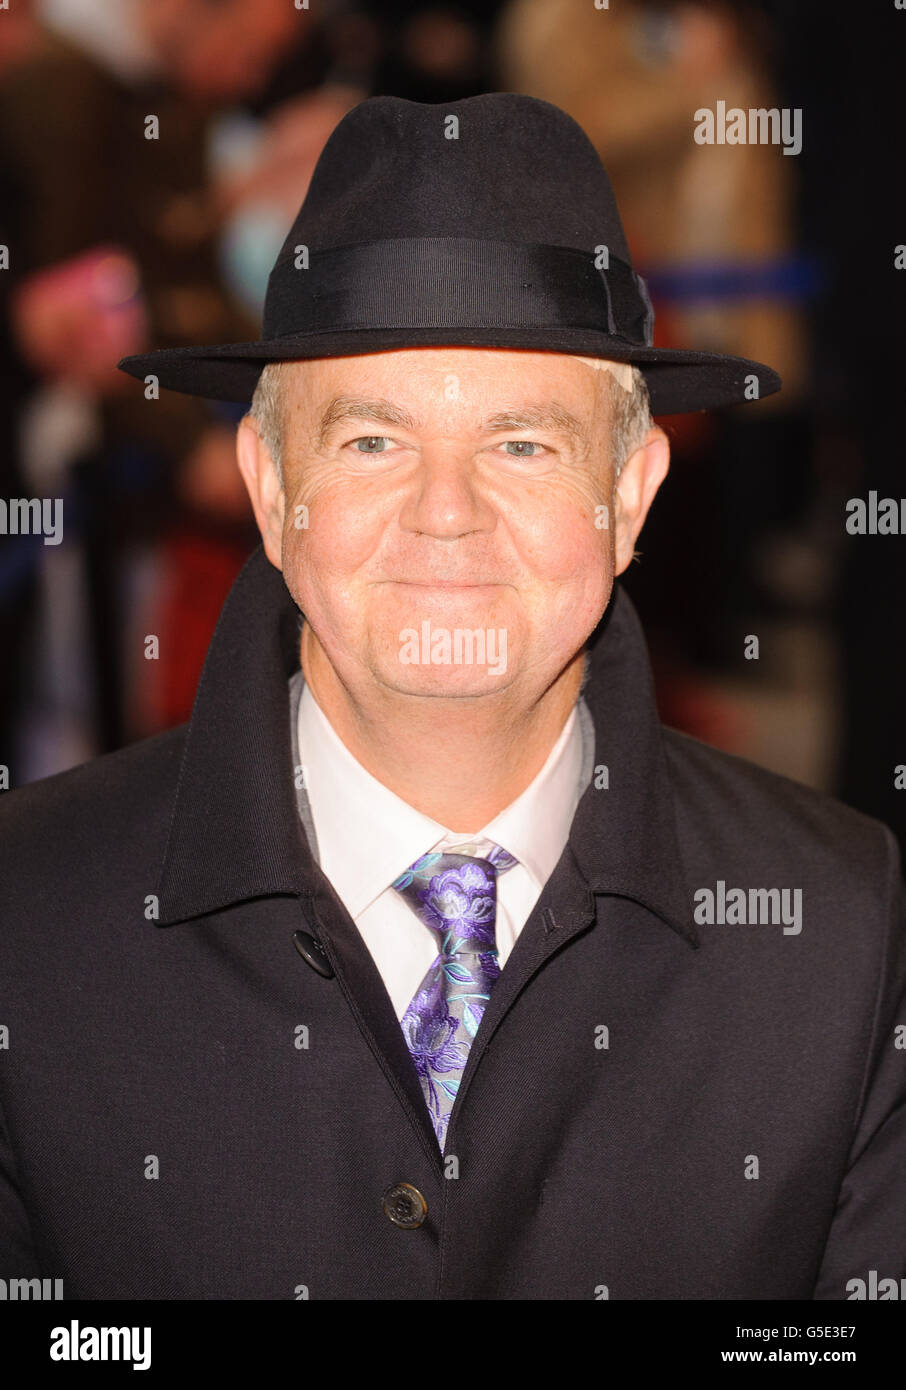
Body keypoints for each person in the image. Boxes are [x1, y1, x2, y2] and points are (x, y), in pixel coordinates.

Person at [1, 94, 903, 1301]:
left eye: (522, 444)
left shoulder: (840, 931)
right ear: (270, 487)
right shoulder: (27, 917)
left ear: (630, 495)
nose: (446, 512)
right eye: (372, 441)